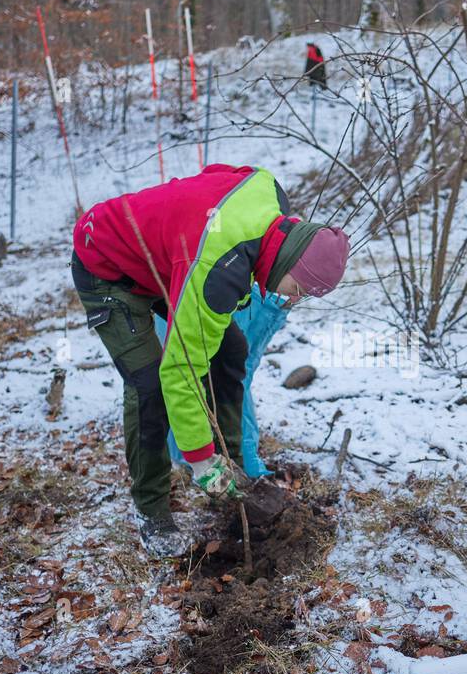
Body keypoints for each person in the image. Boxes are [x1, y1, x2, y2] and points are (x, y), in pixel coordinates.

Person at [71, 164, 350, 556]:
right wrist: (200, 460)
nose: (292, 299)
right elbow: (181, 372)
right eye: (298, 288)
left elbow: (219, 173)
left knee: (231, 351)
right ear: (289, 261)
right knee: (149, 384)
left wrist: (179, 229)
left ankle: (233, 467)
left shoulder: (270, 189)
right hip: (107, 264)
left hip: (169, 264)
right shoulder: (218, 271)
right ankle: (152, 510)